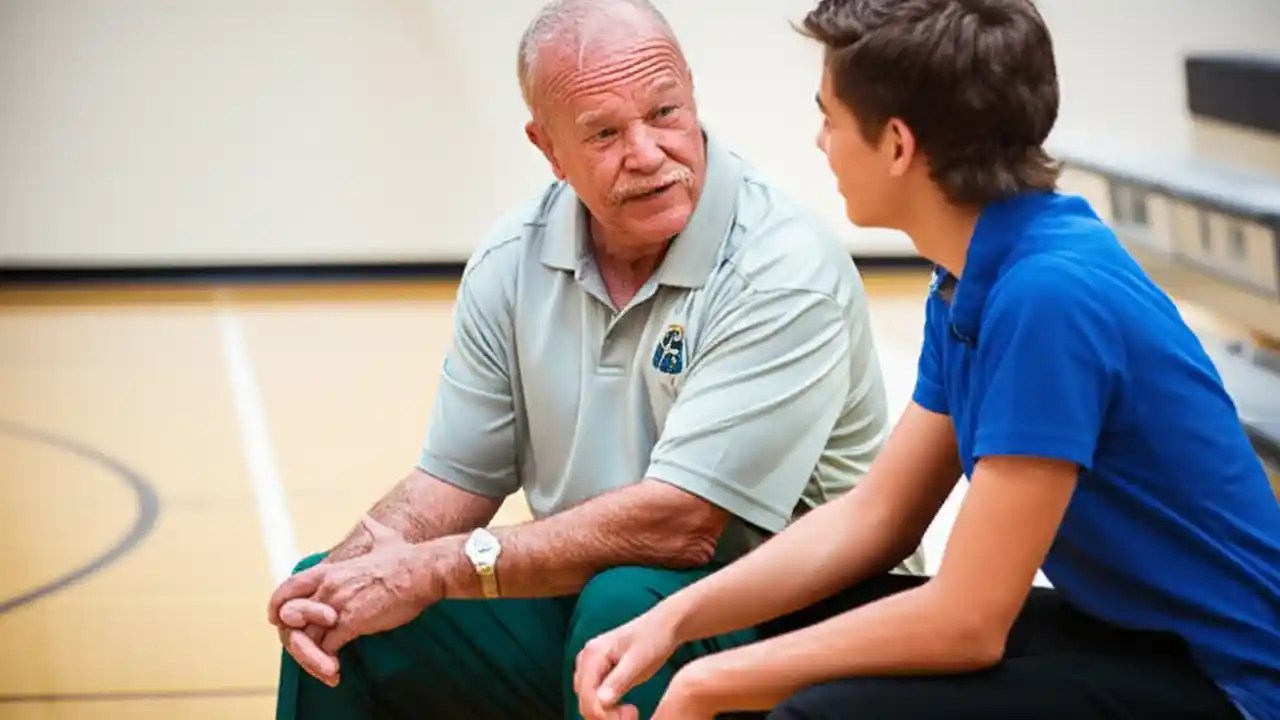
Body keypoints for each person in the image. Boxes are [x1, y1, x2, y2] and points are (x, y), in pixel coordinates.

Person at [571, 0, 1280, 718]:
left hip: (1231, 687)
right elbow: (878, 518)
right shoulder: (975, 275)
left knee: (812, 711)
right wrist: (677, 620)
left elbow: (967, 623)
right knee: (783, 632)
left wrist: (706, 684)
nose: (820, 142)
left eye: (831, 119)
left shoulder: (1049, 297)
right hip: (1138, 643)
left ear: (899, 145)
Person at [264, 1, 915, 718]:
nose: (646, 152)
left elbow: (683, 525)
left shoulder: (779, 265)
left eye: (665, 113)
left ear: (692, 93)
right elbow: (451, 483)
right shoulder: (513, 258)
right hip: (608, 598)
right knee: (340, 609)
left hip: (804, 617)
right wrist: (354, 571)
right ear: (547, 149)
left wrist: (441, 568)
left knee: (621, 602)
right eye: (604, 133)